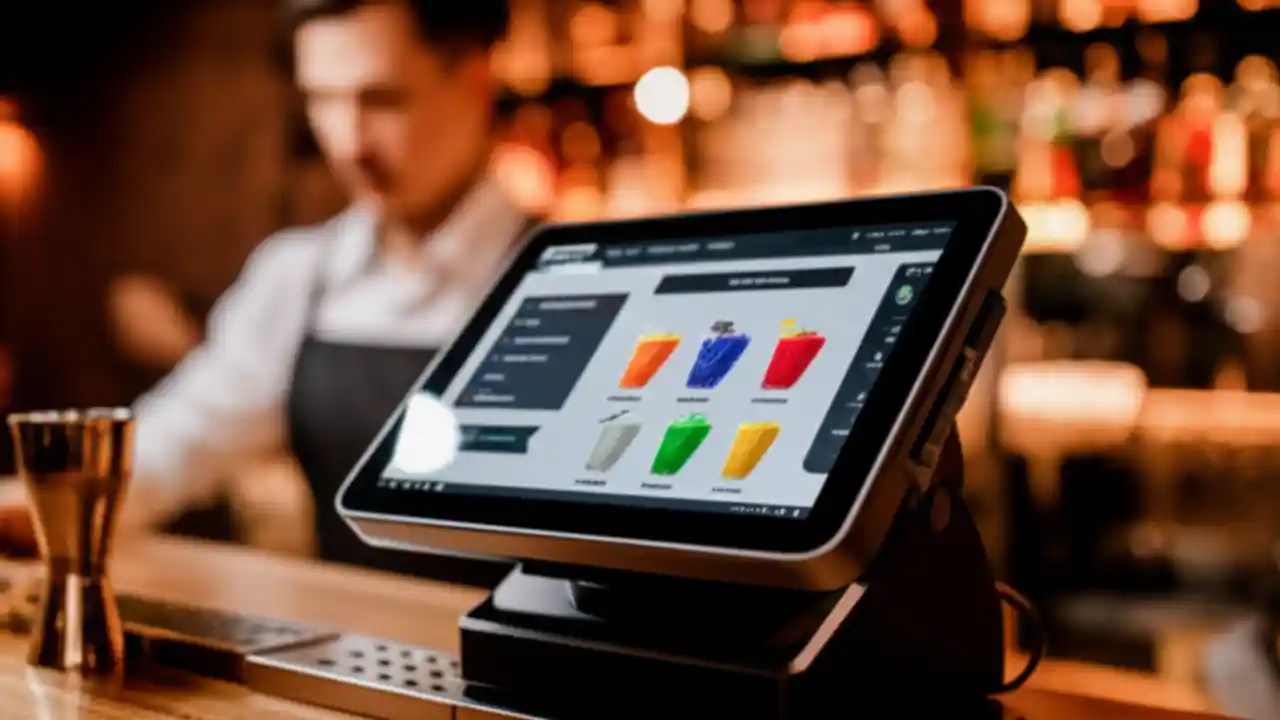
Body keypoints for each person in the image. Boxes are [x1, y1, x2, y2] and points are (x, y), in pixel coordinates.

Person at [0, 0, 529, 587]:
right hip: (362, 646)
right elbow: (182, 437)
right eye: (323, 99)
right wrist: (43, 503)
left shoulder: (575, 278)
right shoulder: (300, 273)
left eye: (382, 99)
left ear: (475, 82)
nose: (350, 142)